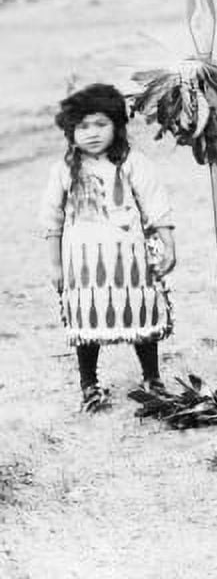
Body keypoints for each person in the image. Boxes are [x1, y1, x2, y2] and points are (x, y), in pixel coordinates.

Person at [39, 83, 177, 412]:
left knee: (141, 311)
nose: (92, 133)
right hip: (84, 264)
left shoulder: (133, 163)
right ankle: (89, 384)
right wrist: (56, 265)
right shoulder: (63, 172)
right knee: (87, 320)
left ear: (117, 126)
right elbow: (51, 220)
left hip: (131, 259)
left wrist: (168, 244)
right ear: (70, 132)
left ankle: (152, 377)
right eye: (82, 127)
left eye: (101, 124)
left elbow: (156, 204)